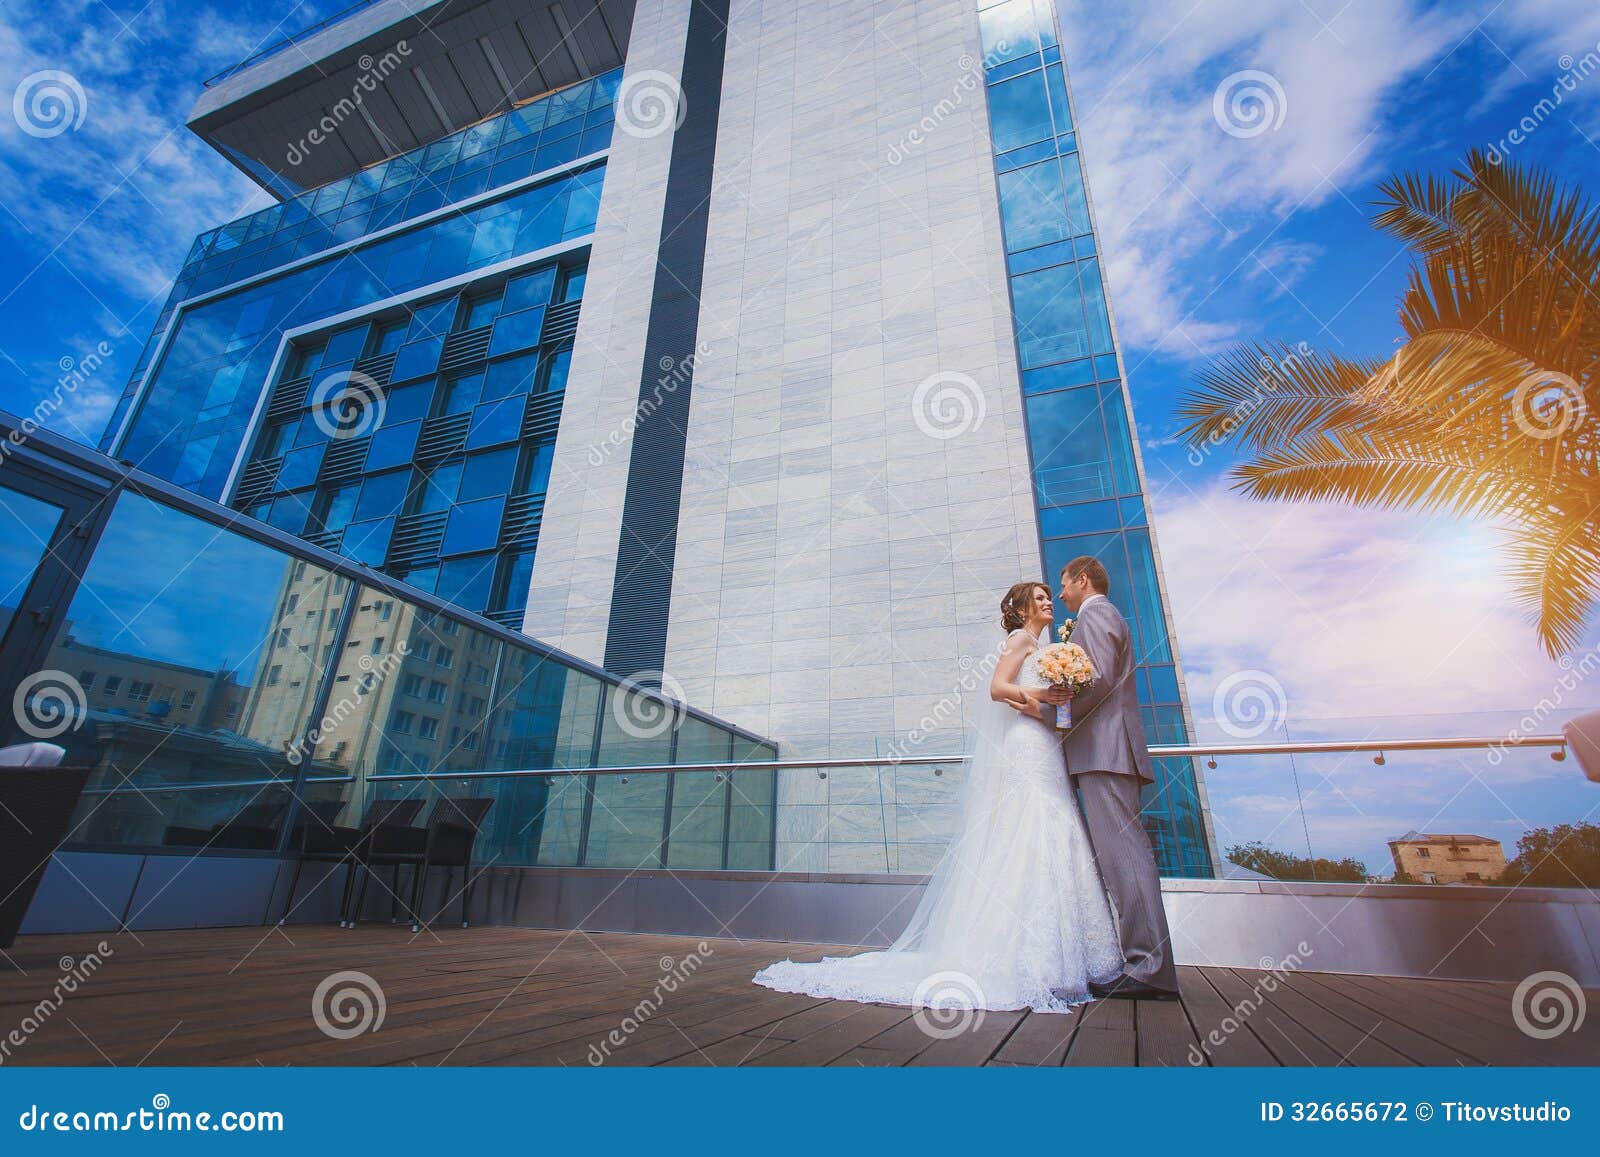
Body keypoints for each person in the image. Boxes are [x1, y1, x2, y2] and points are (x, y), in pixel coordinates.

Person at [752, 581, 1123, 1011]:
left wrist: (1057, 703)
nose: (1047, 602)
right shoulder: (1020, 640)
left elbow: (1050, 709)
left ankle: (1067, 959)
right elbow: (998, 689)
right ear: (1022, 609)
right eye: (1039, 598)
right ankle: (1027, 959)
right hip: (1024, 746)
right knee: (1033, 824)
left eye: (1048, 596)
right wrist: (1043, 693)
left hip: (1045, 743)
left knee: (1054, 822)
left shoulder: (1050, 648)